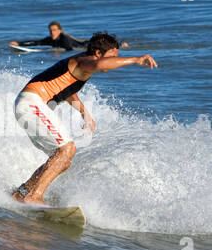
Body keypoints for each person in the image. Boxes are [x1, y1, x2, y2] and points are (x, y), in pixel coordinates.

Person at [12, 32, 157, 205]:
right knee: (67, 150)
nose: (115, 61)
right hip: (32, 103)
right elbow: (103, 63)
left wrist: (84, 113)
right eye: (113, 56)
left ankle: (21, 193)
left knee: (62, 161)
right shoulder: (85, 61)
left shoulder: (80, 64)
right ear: (97, 53)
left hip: (28, 105)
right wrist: (135, 60)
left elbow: (67, 91)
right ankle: (35, 197)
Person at [9, 21, 128, 51]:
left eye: (54, 30)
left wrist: (56, 51)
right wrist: (19, 43)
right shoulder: (50, 39)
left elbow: (69, 49)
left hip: (84, 45)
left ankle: (120, 44)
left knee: (102, 44)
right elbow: (36, 42)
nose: (52, 33)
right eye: (50, 30)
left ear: (60, 31)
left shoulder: (65, 39)